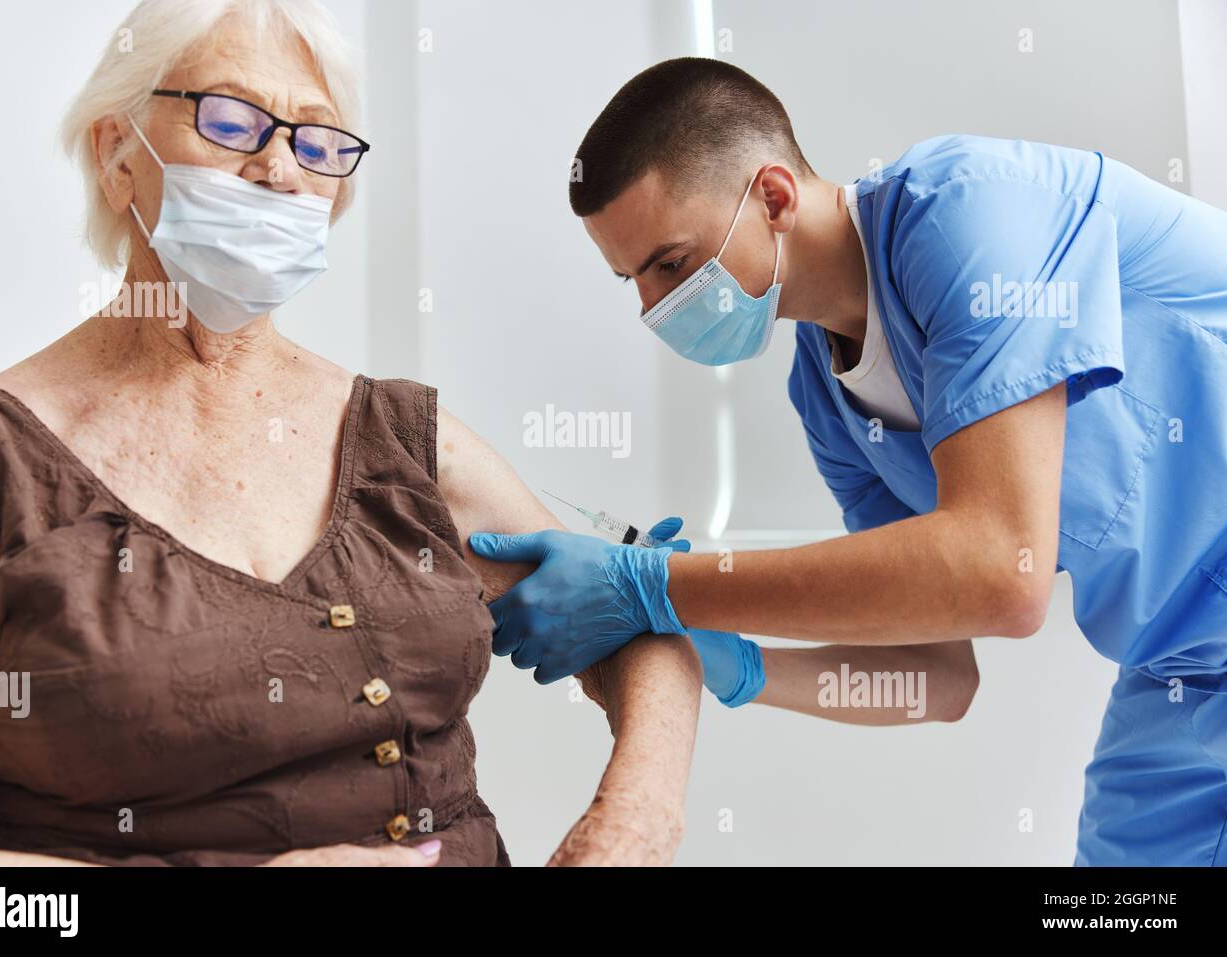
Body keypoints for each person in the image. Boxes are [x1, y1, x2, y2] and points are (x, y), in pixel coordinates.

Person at [0, 1, 702, 868]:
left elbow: (637, 624)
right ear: (117, 154)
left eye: (318, 140)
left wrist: (637, 812)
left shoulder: (398, 437)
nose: (278, 167)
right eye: (230, 119)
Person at [472, 57, 1227, 865]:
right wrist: (738, 659)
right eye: (633, 281)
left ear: (772, 196)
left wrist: (653, 585)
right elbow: (937, 674)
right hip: (1184, 674)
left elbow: (1000, 574)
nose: (654, 309)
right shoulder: (829, 397)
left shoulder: (971, 211)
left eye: (670, 263)